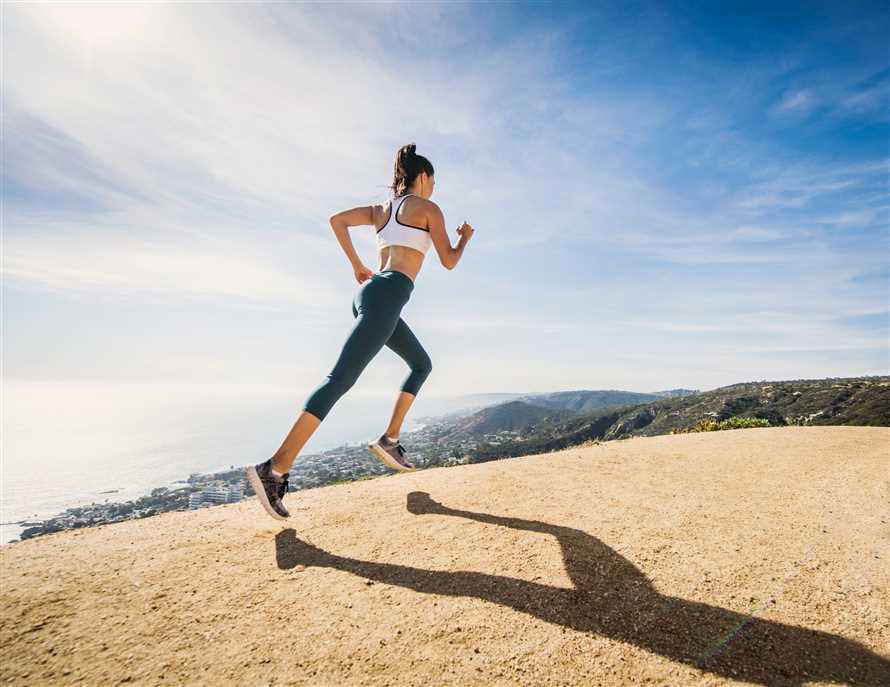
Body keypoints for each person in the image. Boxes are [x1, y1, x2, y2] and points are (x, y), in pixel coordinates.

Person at [246, 143, 475, 520]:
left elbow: (337, 219)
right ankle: (273, 469)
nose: (435, 187)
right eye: (433, 179)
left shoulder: (382, 211)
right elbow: (449, 261)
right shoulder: (428, 209)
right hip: (388, 295)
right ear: (423, 177)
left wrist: (357, 265)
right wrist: (464, 238)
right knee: (339, 380)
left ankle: (390, 439)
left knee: (421, 364)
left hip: (371, 294)